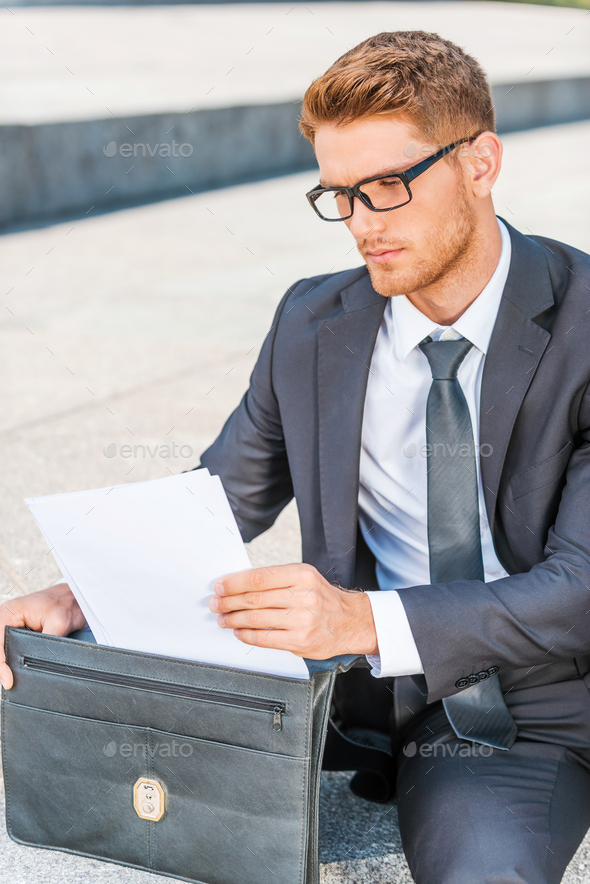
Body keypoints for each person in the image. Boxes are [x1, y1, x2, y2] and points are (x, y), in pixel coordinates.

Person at [2, 30, 590, 884]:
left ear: (481, 162)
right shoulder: (317, 323)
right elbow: (223, 493)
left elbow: (580, 589)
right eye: (339, 195)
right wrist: (79, 590)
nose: (361, 225)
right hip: (413, 702)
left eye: (389, 186)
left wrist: (359, 619)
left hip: (548, 691)